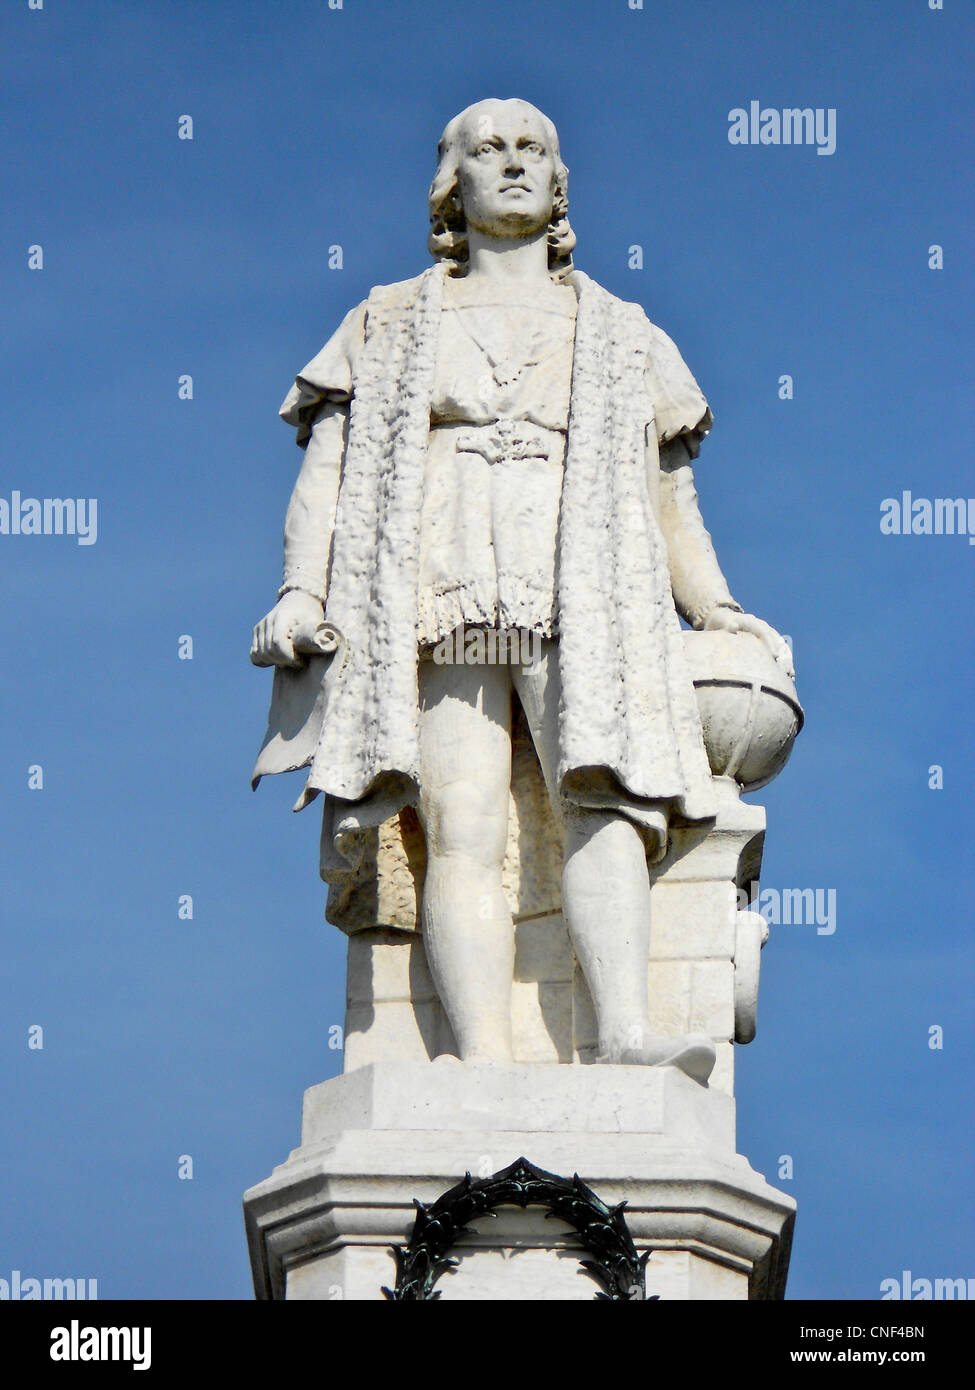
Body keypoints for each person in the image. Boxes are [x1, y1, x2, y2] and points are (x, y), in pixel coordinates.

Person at [251, 99, 792, 1082]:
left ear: (558, 184)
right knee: (459, 823)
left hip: (582, 588)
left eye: (533, 149)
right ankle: (480, 1057)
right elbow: (326, 475)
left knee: (607, 797)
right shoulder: (387, 321)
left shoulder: (623, 333)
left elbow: (670, 500)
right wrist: (299, 590)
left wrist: (714, 608)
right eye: (486, 149)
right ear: (449, 183)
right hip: (434, 591)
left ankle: (623, 1030)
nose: (512, 164)